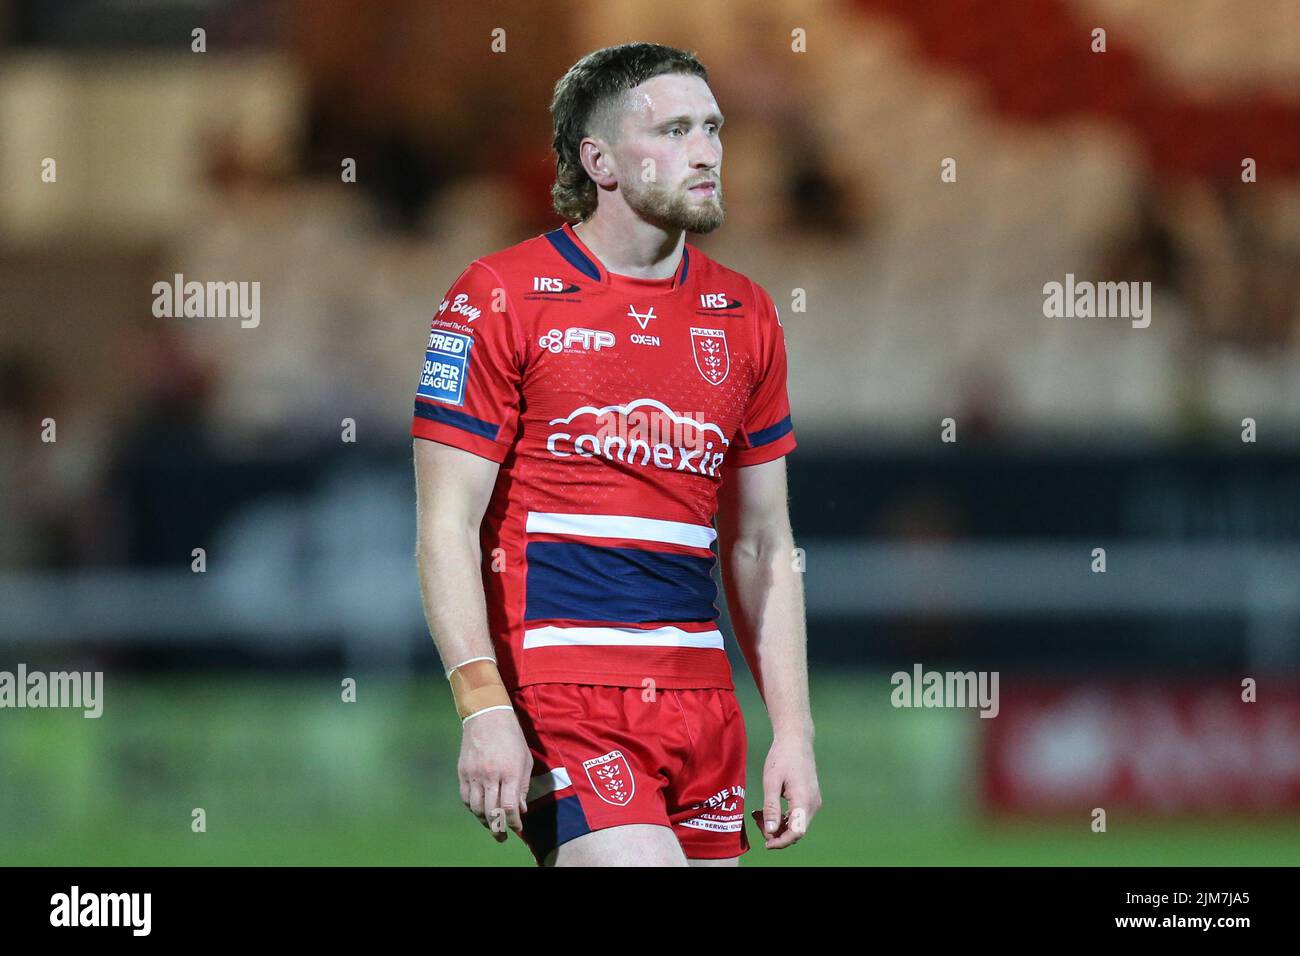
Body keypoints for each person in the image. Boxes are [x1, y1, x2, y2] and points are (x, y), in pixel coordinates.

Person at [412, 41, 819, 866]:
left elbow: (763, 545)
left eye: (712, 127)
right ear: (597, 159)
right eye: (672, 130)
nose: (705, 151)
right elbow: (445, 524)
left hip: (702, 704)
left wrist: (795, 732)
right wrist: (482, 704)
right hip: (559, 698)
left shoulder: (745, 315)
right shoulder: (499, 297)